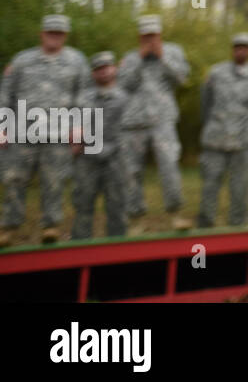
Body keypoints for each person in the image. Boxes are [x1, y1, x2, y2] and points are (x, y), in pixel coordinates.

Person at [0, 15, 88, 246]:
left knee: (54, 181)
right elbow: (6, 94)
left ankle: (51, 226)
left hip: (59, 133)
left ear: (65, 36)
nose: (54, 37)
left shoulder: (76, 61)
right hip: (22, 132)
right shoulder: (22, 60)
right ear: (42, 34)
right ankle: (8, 227)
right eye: (51, 32)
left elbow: (83, 97)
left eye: (59, 33)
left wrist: (79, 128)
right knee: (13, 178)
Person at [119, 14, 192, 232]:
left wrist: (162, 58)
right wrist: (140, 61)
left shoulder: (174, 52)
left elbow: (182, 79)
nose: (150, 39)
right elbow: (123, 86)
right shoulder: (131, 58)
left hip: (163, 120)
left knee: (169, 165)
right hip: (134, 122)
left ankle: (176, 214)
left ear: (160, 34)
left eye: (154, 34)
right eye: (146, 35)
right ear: (140, 36)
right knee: (132, 171)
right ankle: (136, 220)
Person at [197, 33, 248, 228]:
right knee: (210, 183)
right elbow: (205, 103)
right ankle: (204, 225)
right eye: (237, 47)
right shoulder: (215, 73)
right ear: (232, 50)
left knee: (240, 187)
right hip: (215, 139)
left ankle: (238, 227)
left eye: (245, 47)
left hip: (244, 141)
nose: (241, 50)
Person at [70, 52, 128, 240]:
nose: (103, 72)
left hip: (117, 160)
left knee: (117, 207)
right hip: (87, 159)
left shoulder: (126, 97)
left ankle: (118, 251)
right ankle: (78, 251)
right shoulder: (82, 98)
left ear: (114, 69)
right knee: (83, 206)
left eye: (106, 67)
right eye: (98, 69)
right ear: (93, 74)